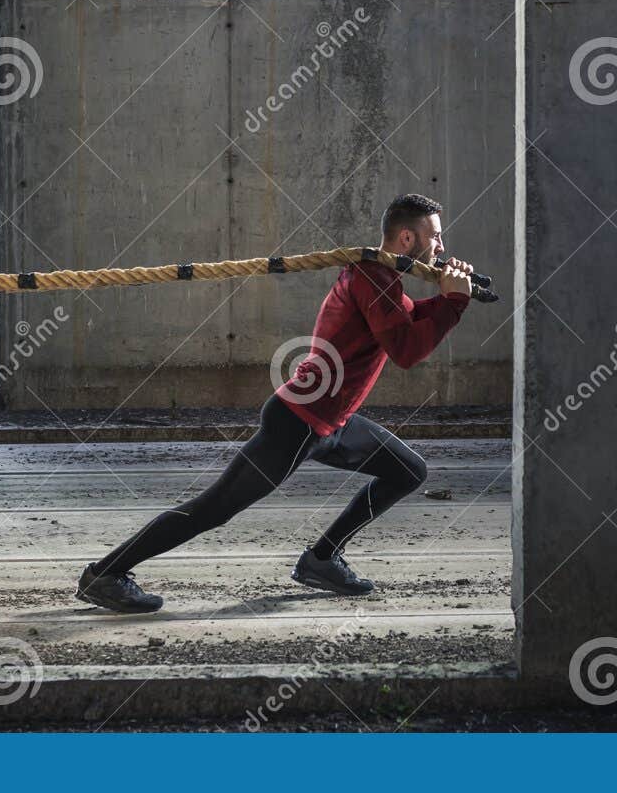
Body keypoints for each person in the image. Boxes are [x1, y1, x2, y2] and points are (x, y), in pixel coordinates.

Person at [75, 194, 474, 612]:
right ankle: (105, 573)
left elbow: (406, 317)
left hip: (332, 422)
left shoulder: (382, 278)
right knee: (212, 510)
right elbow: (407, 350)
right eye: (436, 237)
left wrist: (451, 295)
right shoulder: (374, 277)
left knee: (408, 470)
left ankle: (322, 559)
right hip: (298, 423)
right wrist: (454, 302)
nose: (442, 247)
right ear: (408, 238)